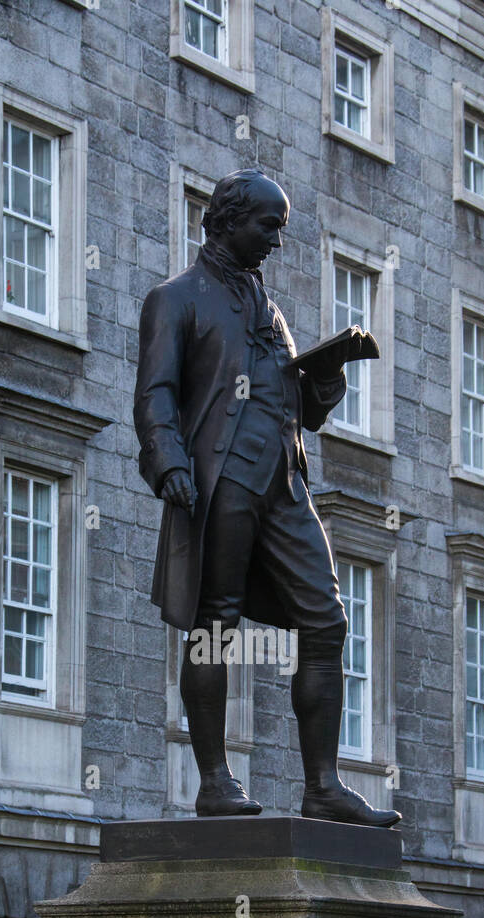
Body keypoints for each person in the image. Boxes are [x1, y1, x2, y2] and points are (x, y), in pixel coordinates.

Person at [134, 169, 400, 827]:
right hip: (220, 481)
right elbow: (156, 394)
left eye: (280, 227)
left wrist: (331, 368)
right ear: (229, 220)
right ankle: (215, 782)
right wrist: (168, 462)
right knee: (214, 627)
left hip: (284, 483)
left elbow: (302, 407)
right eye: (268, 226)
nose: (277, 241)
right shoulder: (176, 299)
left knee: (328, 619)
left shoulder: (269, 309)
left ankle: (322, 787)